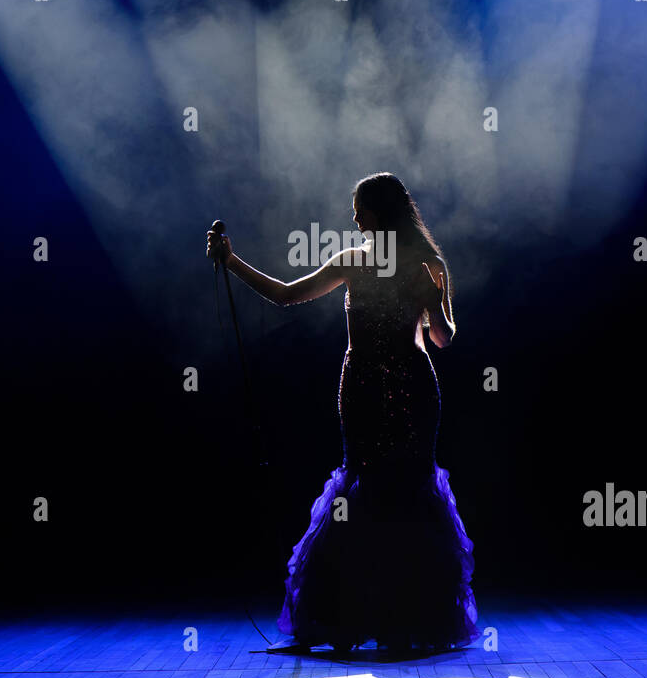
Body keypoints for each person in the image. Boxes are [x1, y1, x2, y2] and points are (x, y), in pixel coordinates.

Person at [205, 172, 479, 653]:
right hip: (361, 392)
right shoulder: (351, 262)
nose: (354, 219)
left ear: (380, 213)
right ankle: (336, 618)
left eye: (360, 210)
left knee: (408, 489)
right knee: (359, 489)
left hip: (413, 392)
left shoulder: (428, 265)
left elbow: (443, 338)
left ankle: (411, 620)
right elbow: (287, 294)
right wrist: (231, 263)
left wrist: (437, 304)